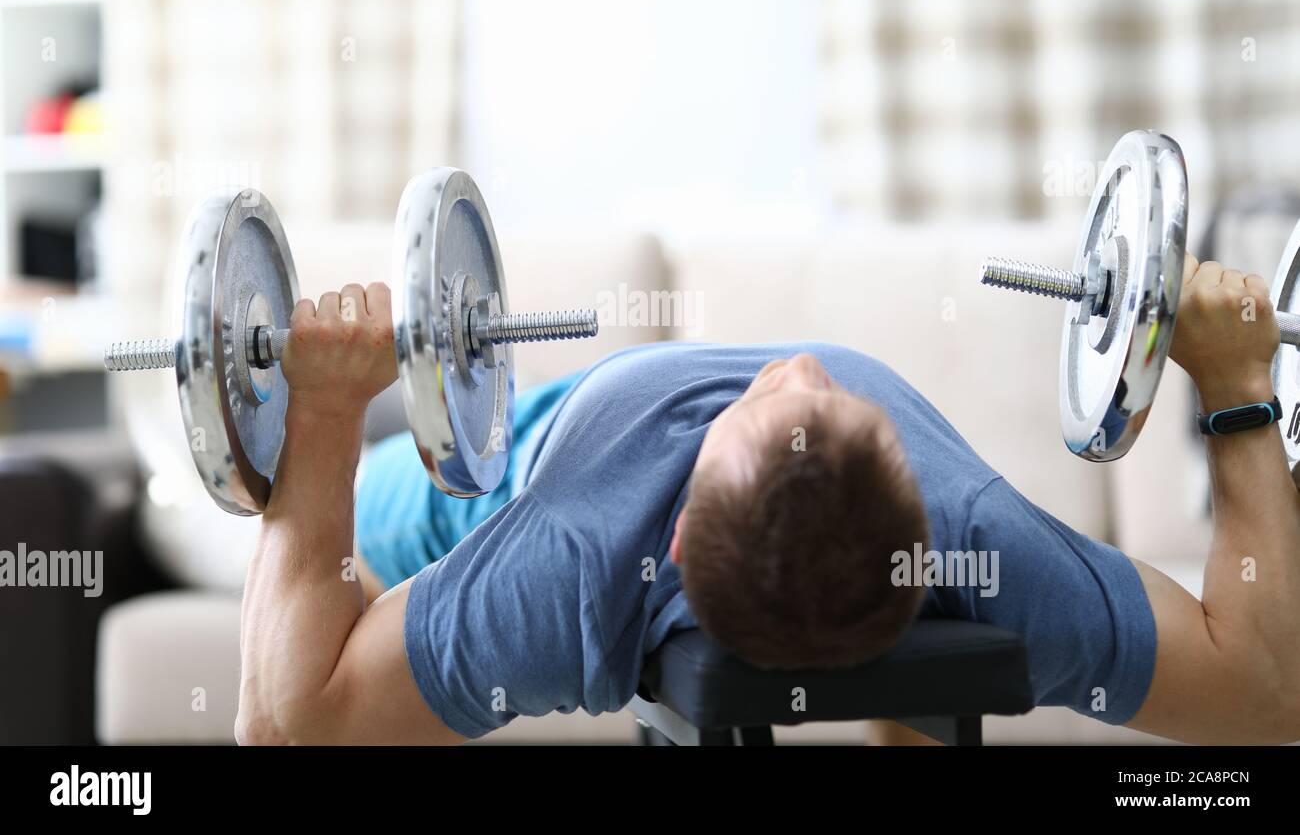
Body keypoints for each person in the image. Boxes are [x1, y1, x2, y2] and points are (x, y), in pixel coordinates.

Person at [234, 256, 1300, 745]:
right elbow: (1266, 696)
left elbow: (295, 718)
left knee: (297, 668)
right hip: (486, 437)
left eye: (780, 406)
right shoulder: (979, 534)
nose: (797, 367)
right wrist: (1238, 385)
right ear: (919, 543)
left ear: (684, 524)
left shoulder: (562, 559)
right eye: (837, 406)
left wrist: (322, 417)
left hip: (470, 490)